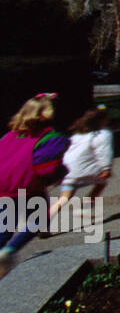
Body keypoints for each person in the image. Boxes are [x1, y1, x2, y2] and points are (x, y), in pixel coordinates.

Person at [0, 93, 70, 278]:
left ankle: (1, 251)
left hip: (2, 187)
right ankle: (10, 250)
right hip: (28, 186)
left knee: (5, 226)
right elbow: (46, 169)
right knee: (40, 219)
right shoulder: (53, 138)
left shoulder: (9, 136)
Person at [48, 105, 114, 226]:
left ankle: (42, 224)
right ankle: (85, 207)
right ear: (103, 120)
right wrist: (106, 168)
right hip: (86, 170)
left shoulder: (77, 134)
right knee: (101, 183)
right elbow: (104, 151)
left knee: (64, 198)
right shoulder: (103, 134)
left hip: (67, 170)